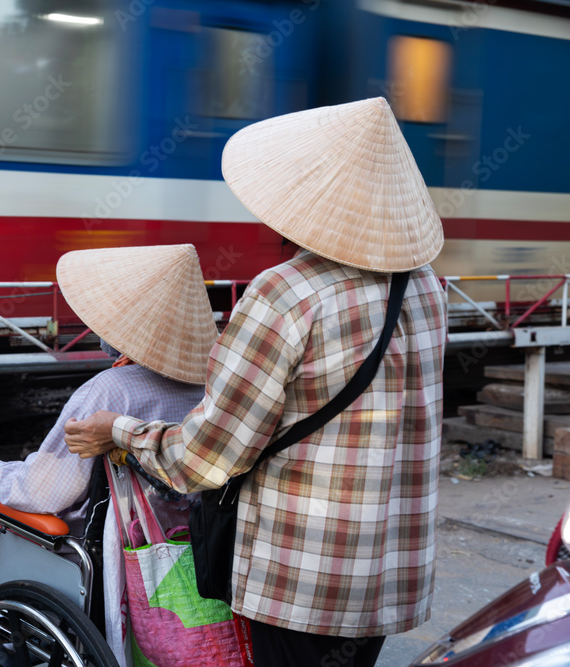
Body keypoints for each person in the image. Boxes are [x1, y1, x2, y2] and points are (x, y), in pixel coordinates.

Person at [64, 97, 448, 667]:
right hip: (389, 574)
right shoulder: (426, 289)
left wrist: (119, 431)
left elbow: (205, 459)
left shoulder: (285, 293)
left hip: (303, 580)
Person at [0, 243, 219, 665]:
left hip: (104, 572)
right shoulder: (215, 388)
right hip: (199, 554)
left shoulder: (109, 392)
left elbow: (40, 493)